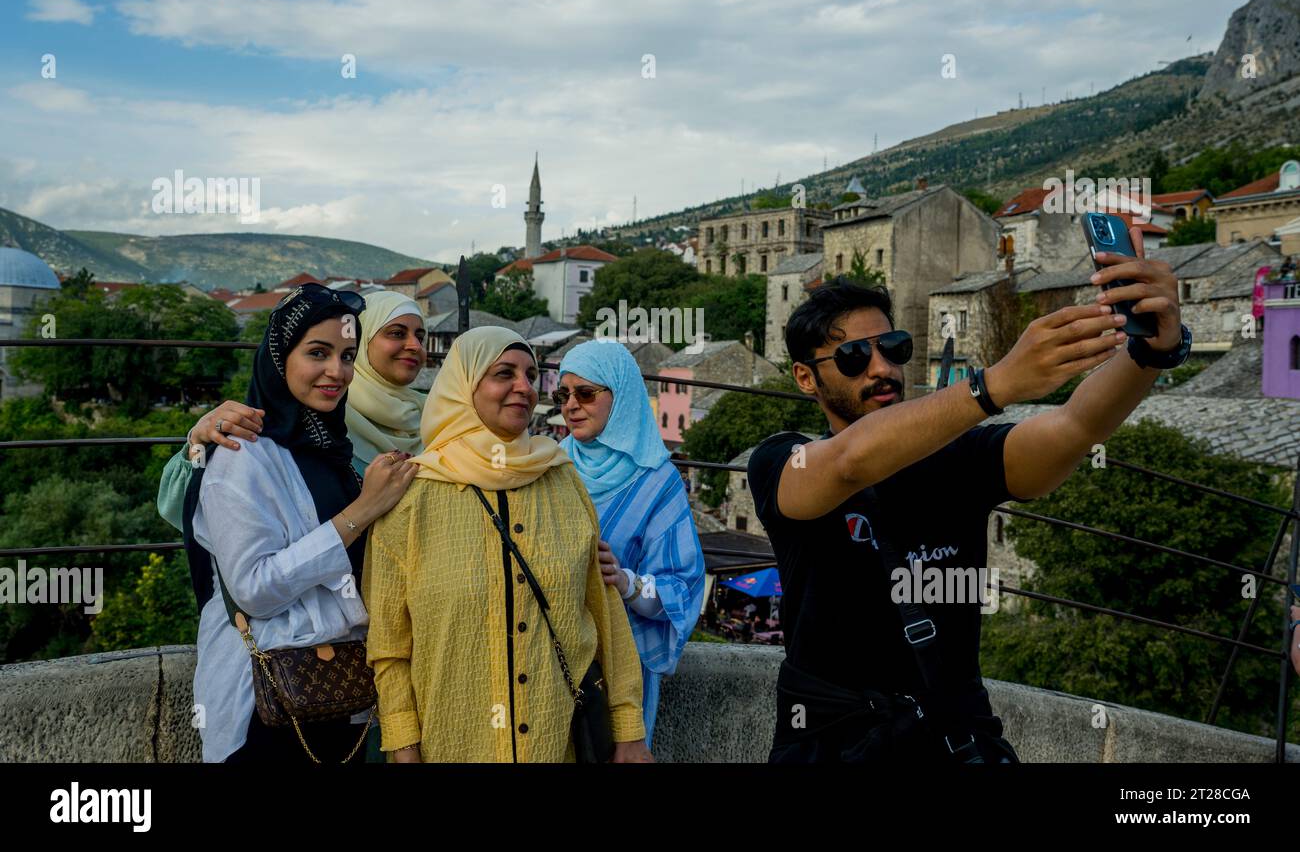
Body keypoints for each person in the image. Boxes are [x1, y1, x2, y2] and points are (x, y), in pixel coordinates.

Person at [749, 233, 1189, 764]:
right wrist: (994, 384)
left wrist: (1152, 350)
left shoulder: (959, 457)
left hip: (953, 737)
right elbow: (848, 461)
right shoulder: (782, 460)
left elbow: (1075, 426)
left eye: (893, 348)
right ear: (805, 377)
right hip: (834, 744)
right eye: (851, 356)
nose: (882, 369)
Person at [363, 326, 652, 762]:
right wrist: (404, 748)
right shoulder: (410, 498)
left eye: (531, 375)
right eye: (504, 374)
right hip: (454, 745)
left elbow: (605, 618)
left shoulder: (561, 480)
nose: (524, 388)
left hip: (555, 744)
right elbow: (389, 646)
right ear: (464, 385)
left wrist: (629, 731)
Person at [183, 283, 419, 762]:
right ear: (279, 356)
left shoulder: (332, 451)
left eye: (348, 356)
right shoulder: (240, 452)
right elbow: (254, 588)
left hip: (339, 698)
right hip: (263, 707)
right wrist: (362, 512)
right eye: (318, 352)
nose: (337, 371)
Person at [157, 290, 428, 523]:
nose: (414, 345)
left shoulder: (434, 414)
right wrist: (198, 445)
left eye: (347, 356)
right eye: (396, 333)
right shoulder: (251, 431)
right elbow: (187, 508)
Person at [556, 339, 705, 744]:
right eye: (562, 394)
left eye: (586, 393)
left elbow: (682, 586)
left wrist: (625, 582)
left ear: (619, 395)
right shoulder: (550, 464)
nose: (571, 406)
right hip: (549, 660)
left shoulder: (657, 481)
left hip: (618, 668)